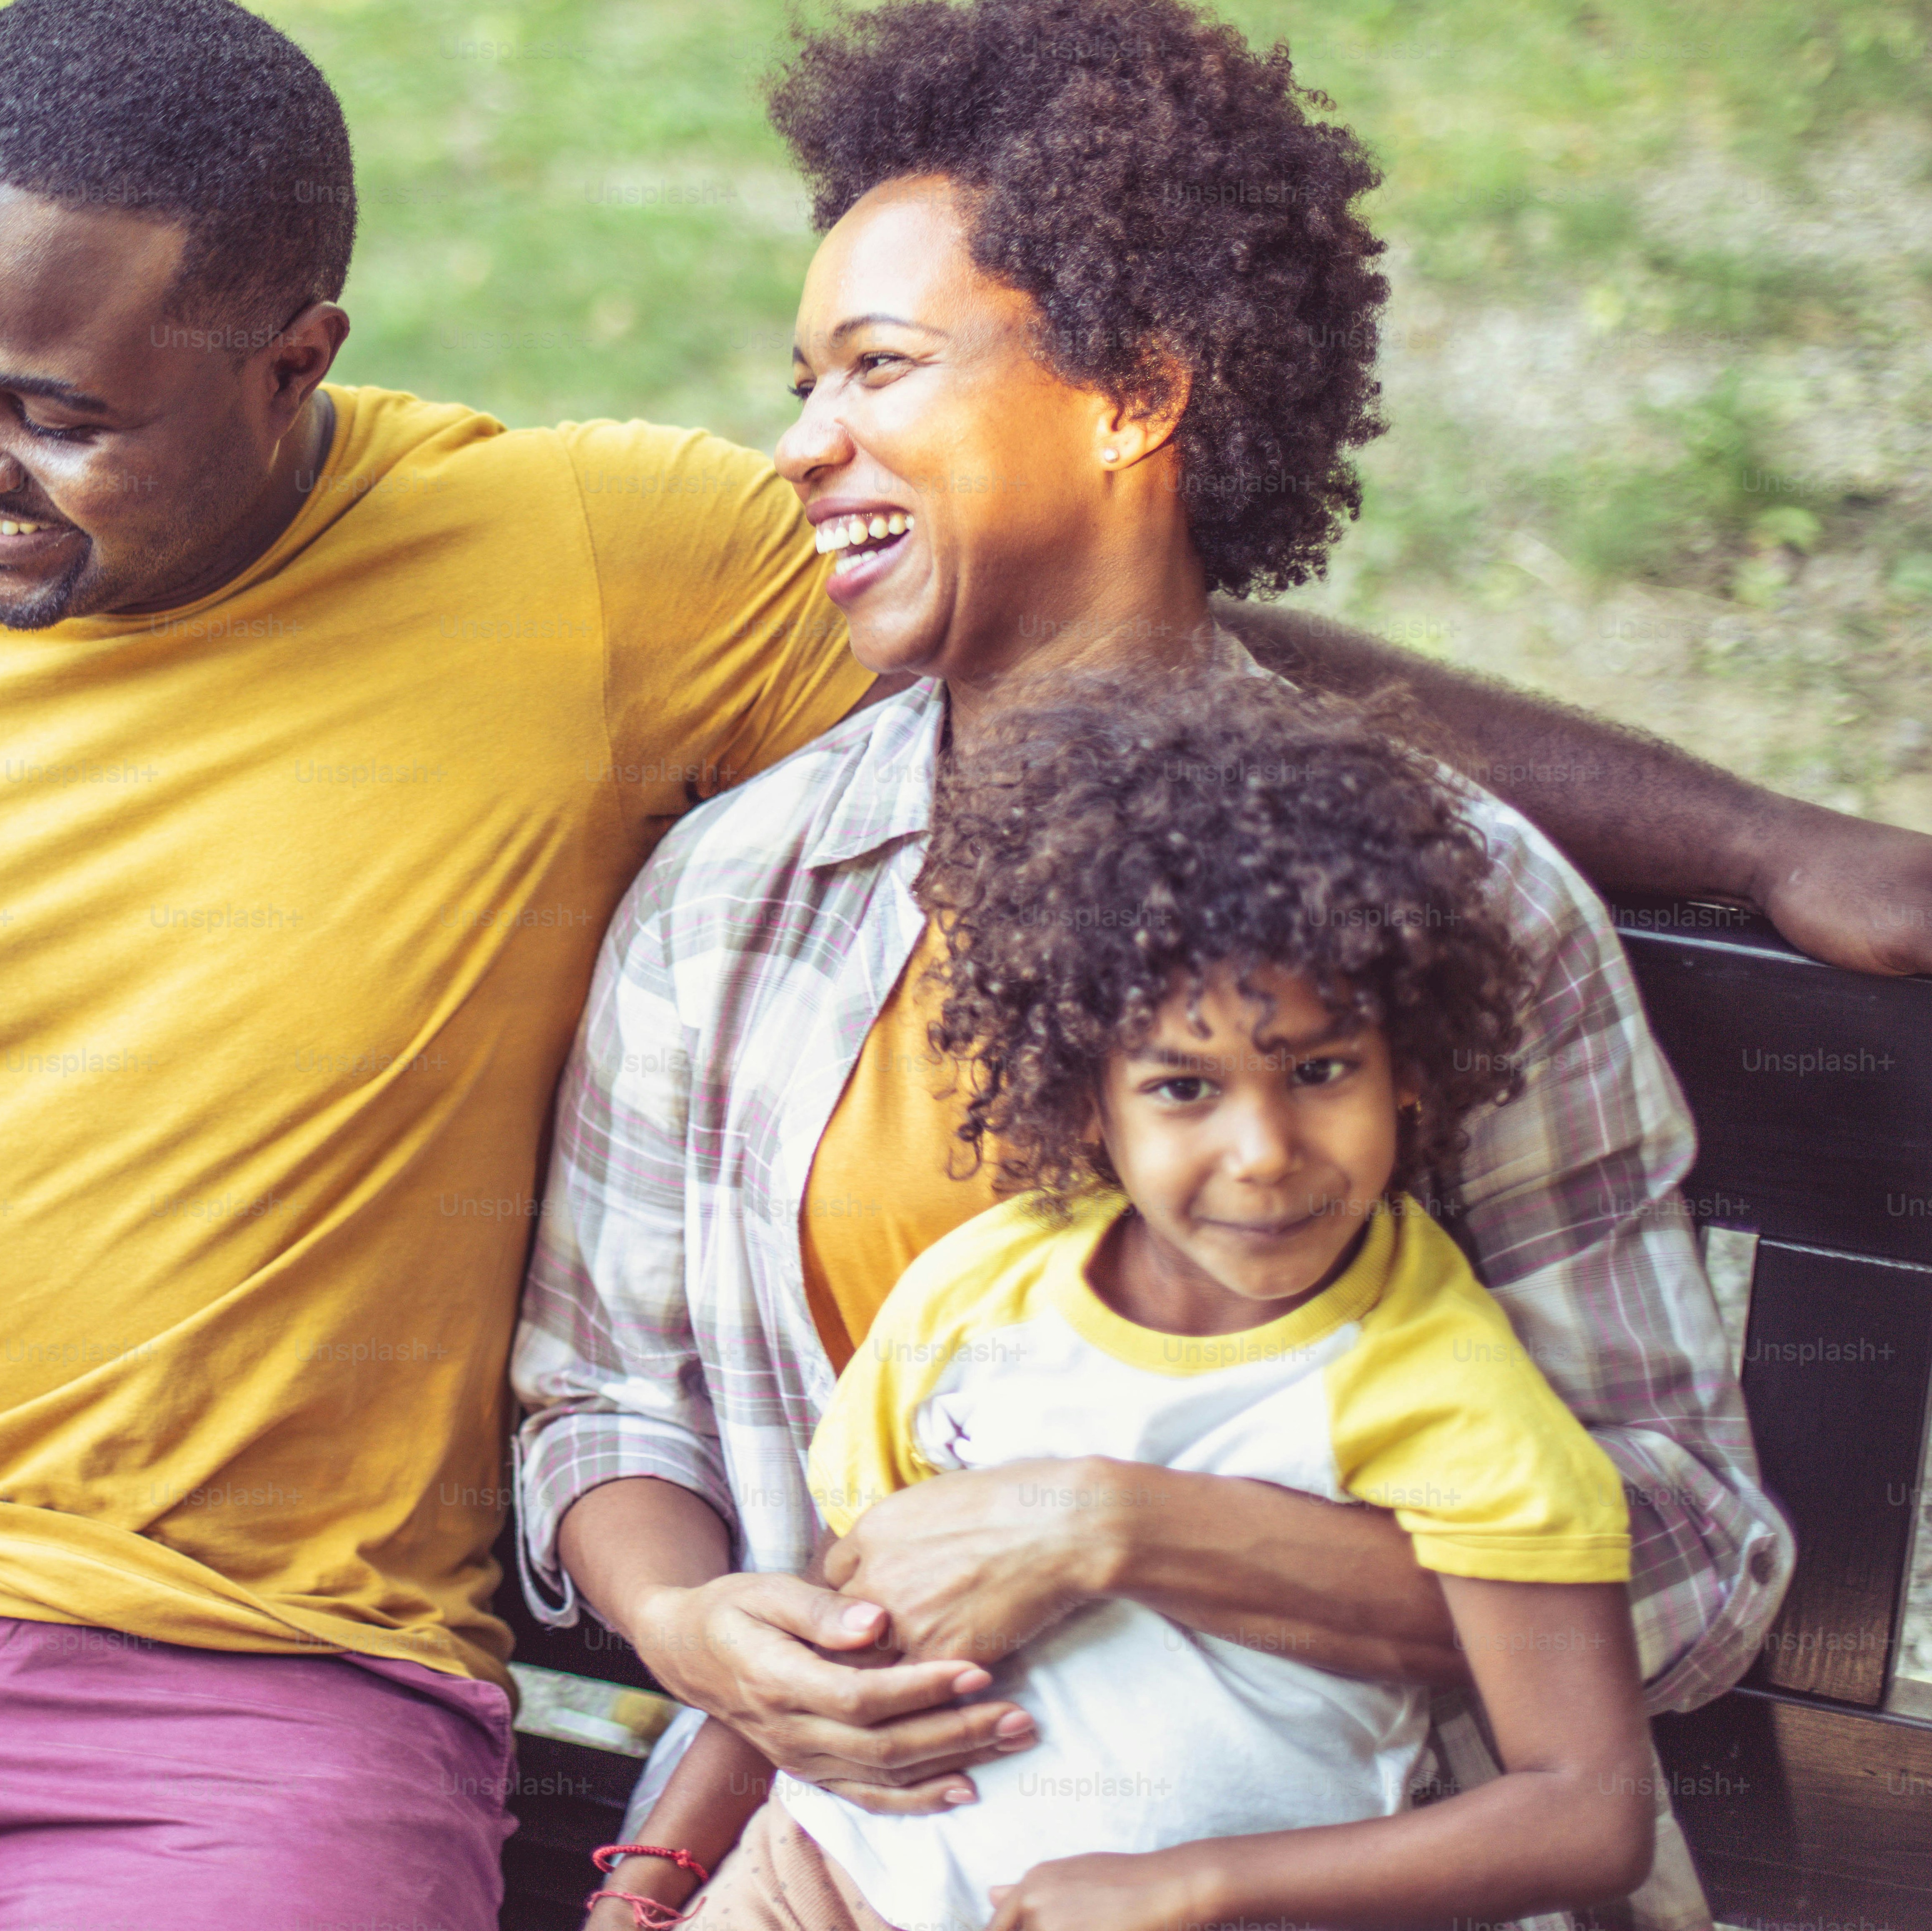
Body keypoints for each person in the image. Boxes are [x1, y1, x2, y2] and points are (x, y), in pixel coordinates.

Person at [0, 0, 1890, 1920]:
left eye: (54, 405)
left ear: (293, 362)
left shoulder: (616, 572)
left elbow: (1133, 641)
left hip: (373, 1713)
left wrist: (1760, 837)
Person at [517, 4, 1772, 1924]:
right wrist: (693, 1623)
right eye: (802, 375)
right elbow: (599, 1399)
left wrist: (1128, 1533)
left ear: (1136, 394)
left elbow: (1686, 1553)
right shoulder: (737, 895)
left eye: (880, 367)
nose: (799, 443)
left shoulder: (1446, 910)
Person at [596, 678, 1654, 1931]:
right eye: (1184, 1086)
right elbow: (850, 1619)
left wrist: (1194, 1888)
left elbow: (1590, 1811)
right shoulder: (979, 1296)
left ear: (1408, 1069)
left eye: (1320, 1071)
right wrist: (663, 1865)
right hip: (823, 1879)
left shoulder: (1448, 1390)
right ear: (1088, 1098)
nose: (1264, 1147)